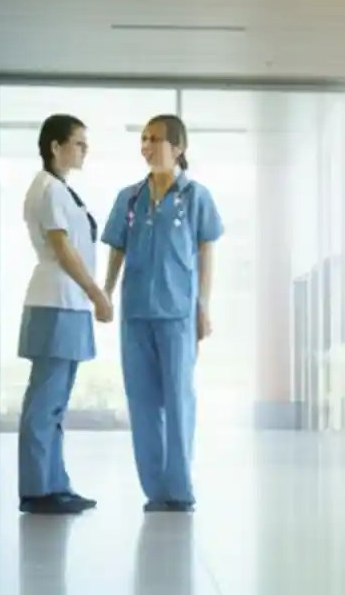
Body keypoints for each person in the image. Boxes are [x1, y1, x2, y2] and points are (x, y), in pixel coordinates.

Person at [102, 114, 224, 513]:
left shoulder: (196, 197)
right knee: (142, 402)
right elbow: (117, 248)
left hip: (177, 314)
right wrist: (106, 292)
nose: (147, 146)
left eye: (155, 139)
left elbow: (206, 253)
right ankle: (156, 491)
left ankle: (180, 489)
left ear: (178, 146)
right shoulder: (129, 198)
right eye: (143, 139)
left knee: (178, 401)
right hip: (136, 313)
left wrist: (203, 306)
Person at [17, 114, 113, 515]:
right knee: (45, 401)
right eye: (78, 143)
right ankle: (38, 489)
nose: (84, 150)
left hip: (67, 303)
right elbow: (63, 249)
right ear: (55, 146)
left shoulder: (60, 189)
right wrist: (96, 293)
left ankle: (55, 484)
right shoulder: (48, 189)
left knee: (55, 402)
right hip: (55, 302)